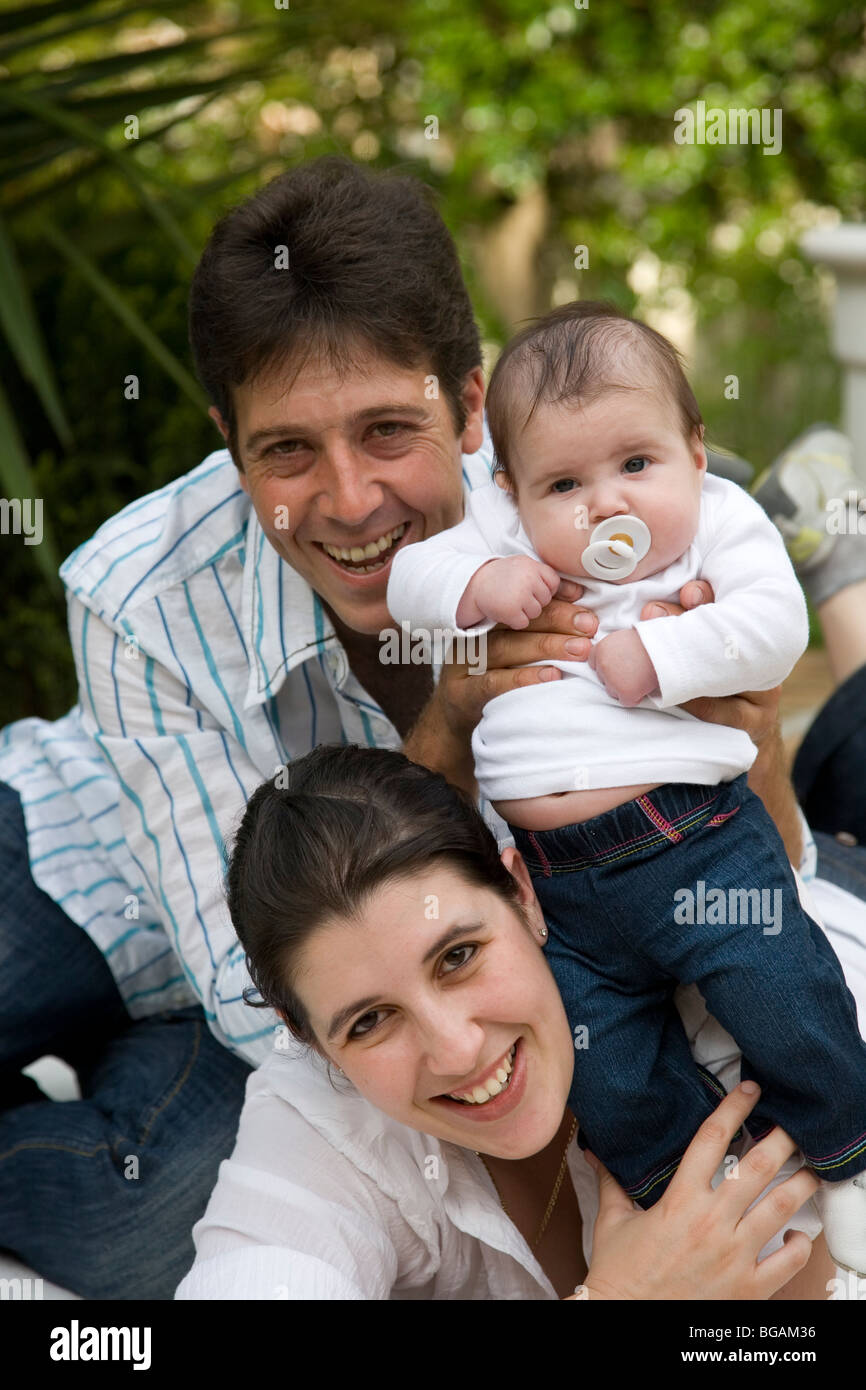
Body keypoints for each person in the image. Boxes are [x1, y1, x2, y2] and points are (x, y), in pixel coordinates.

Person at [0, 155, 863, 1297]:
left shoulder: (589, 497)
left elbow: (756, 852)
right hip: (78, 863)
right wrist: (452, 717)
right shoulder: (139, 588)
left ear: (468, 407)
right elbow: (253, 994)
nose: (351, 501)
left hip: (343, 969)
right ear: (226, 437)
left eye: (387, 431)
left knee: (156, 1211)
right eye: (285, 450)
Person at [385, 301, 866, 1273]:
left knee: (786, 997)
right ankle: (733, 1203)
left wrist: (660, 652)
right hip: (563, 893)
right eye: (564, 482)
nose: (604, 503)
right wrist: (478, 584)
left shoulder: (714, 527)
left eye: (634, 465)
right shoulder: (505, 537)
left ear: (694, 451)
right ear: (512, 490)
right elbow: (411, 577)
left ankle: (850, 1164)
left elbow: (772, 627)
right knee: (611, 1079)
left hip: (698, 838)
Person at [175, 743, 836, 1301]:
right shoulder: (317, 1121)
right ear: (306, 1037)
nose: (457, 1049)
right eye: (370, 1020)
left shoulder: (743, 984)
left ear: (522, 895)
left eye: (458, 956)